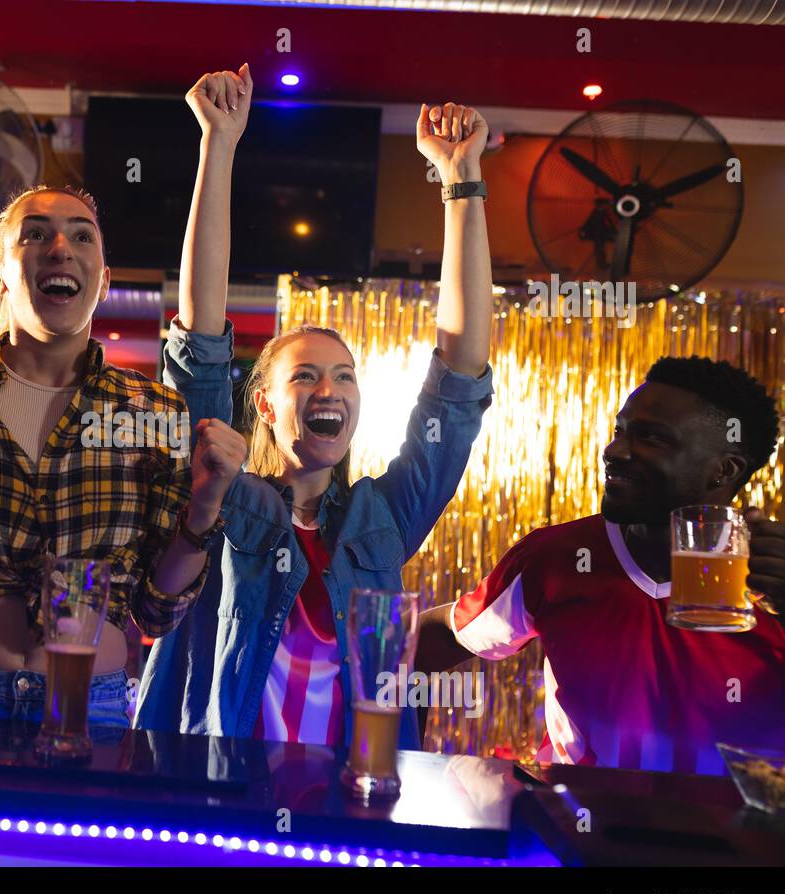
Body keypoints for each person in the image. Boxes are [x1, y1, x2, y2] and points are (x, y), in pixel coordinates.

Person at [135, 65, 495, 748]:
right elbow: (201, 336)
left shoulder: (381, 517)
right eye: (306, 376)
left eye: (345, 376)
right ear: (266, 404)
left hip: (351, 806)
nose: (330, 390)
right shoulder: (221, 493)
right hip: (222, 803)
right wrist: (218, 144)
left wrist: (461, 181)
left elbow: (460, 374)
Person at [0, 186, 235, 727]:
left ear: (102, 281)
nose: (60, 247)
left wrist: (203, 510)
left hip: (88, 708)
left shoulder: (153, 408)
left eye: (83, 235)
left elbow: (157, 609)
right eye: (34, 234)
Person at [415, 357, 785, 774]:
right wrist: (406, 761)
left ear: (723, 470)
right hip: (580, 826)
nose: (614, 451)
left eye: (651, 438)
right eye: (620, 431)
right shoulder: (557, 557)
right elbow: (428, 642)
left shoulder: (772, 581)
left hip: (739, 836)